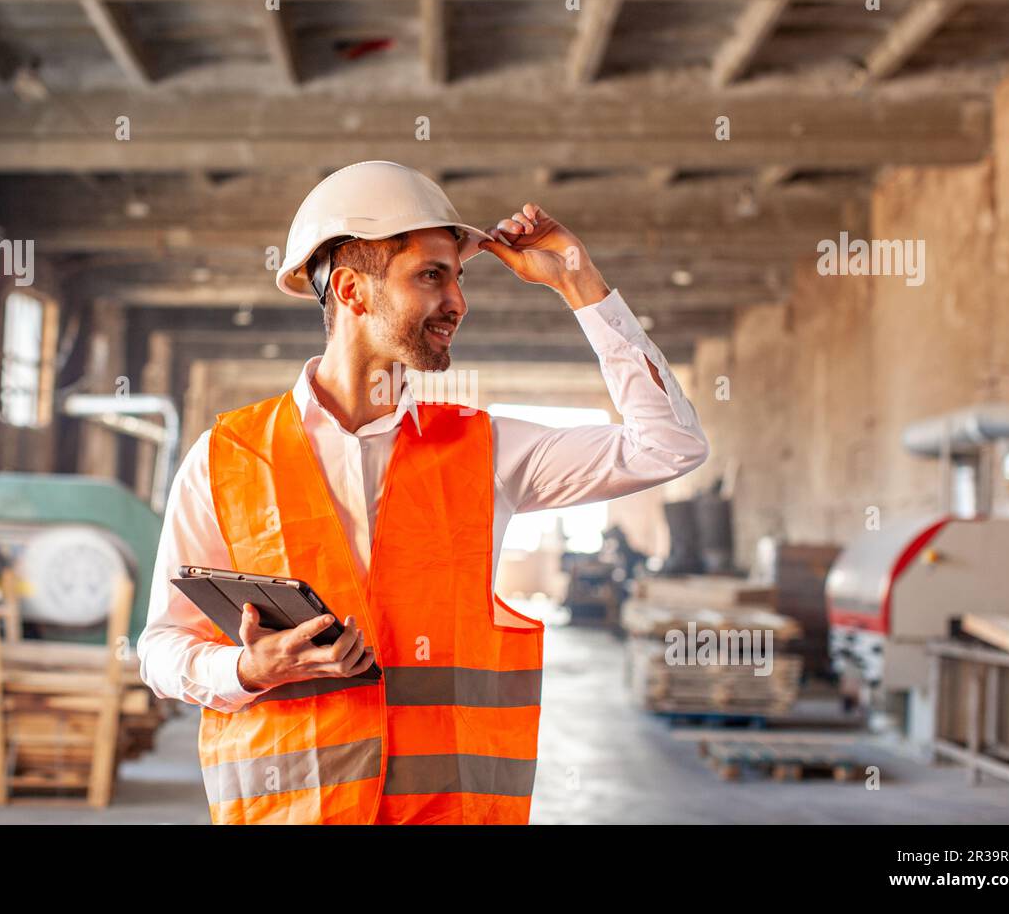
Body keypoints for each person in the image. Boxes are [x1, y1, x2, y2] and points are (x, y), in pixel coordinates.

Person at [137, 161, 709, 824]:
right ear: (351, 291)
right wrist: (247, 670)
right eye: (432, 275)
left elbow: (672, 445)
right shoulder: (228, 458)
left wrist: (579, 280)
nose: (458, 302)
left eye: (458, 278)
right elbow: (159, 648)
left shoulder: (485, 450)